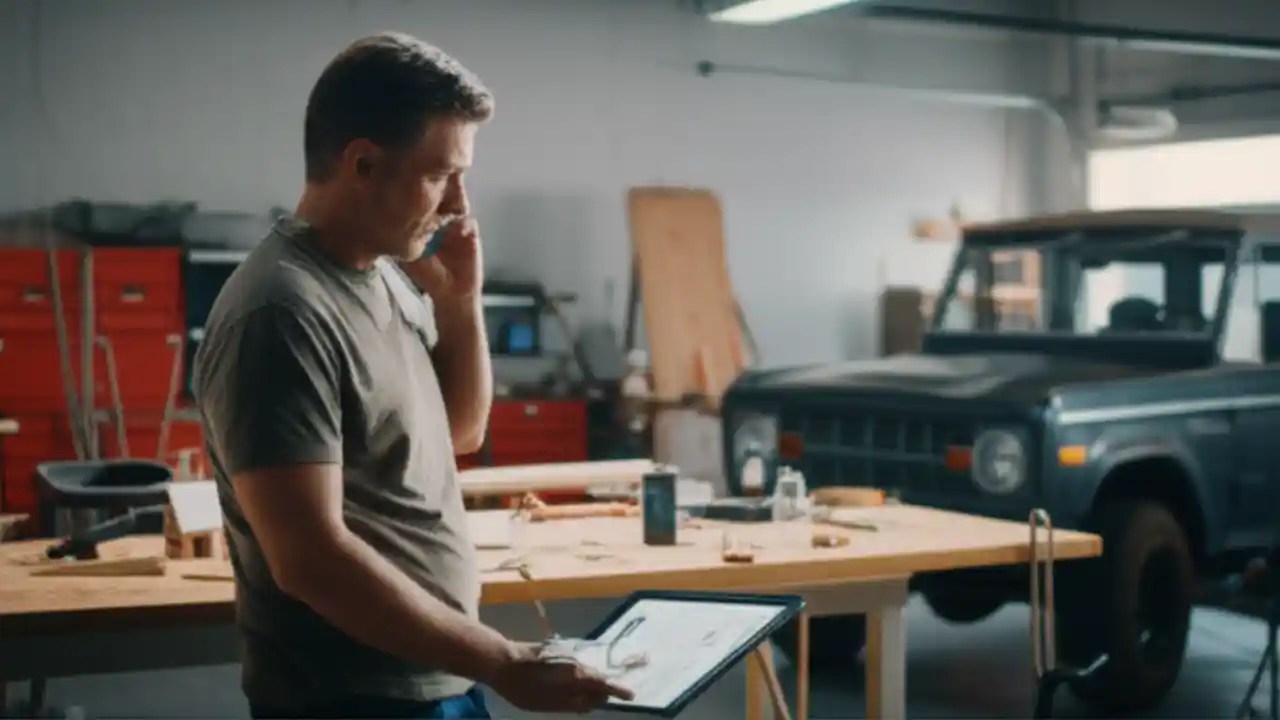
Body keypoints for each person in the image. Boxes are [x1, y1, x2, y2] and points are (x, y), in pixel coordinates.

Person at [192, 32, 633, 719]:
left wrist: (460, 304)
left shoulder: (384, 277)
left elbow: (458, 431)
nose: (459, 201)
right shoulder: (281, 312)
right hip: (353, 700)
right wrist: (502, 660)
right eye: (440, 174)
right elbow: (307, 558)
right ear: (363, 164)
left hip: (438, 677)